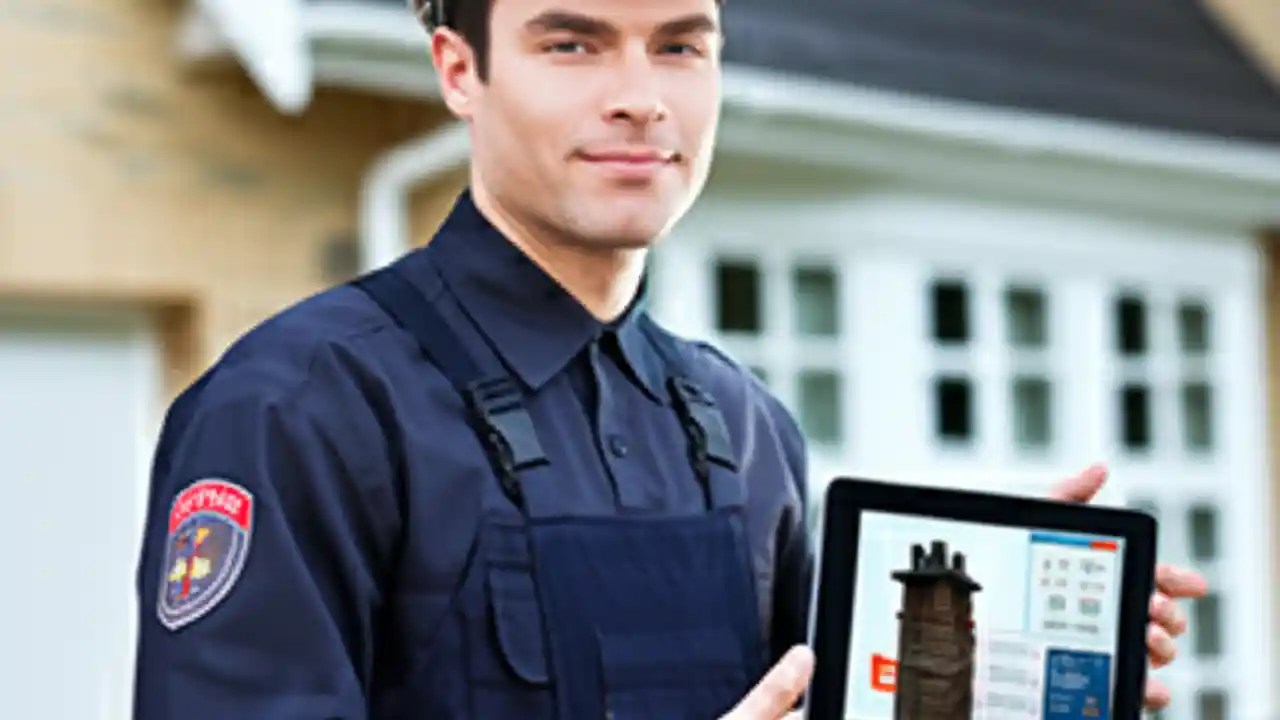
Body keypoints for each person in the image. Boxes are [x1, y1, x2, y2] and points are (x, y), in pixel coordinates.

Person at [130, 0, 1208, 717]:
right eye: (572, 42)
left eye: (679, 45)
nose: (640, 95)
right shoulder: (300, 408)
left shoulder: (742, 424)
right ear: (459, 69)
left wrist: (996, 660)